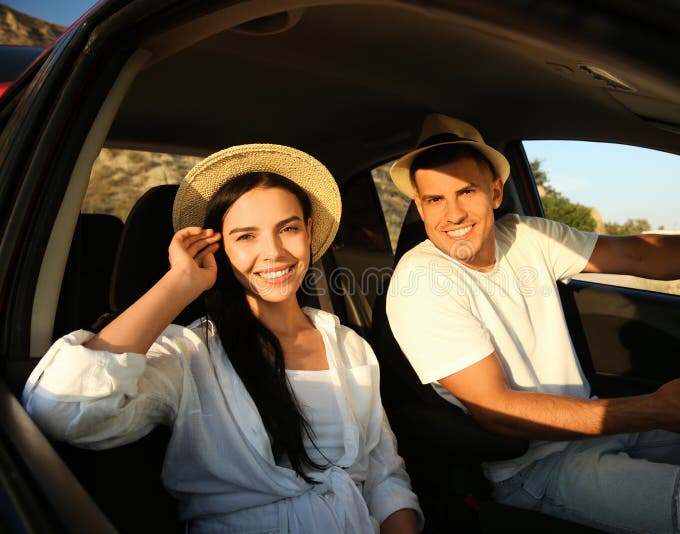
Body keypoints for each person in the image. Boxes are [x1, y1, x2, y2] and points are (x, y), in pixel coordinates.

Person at [385, 114, 680, 533]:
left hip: (594, 424)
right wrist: (653, 409)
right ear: (419, 207)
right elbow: (499, 412)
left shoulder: (525, 236)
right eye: (435, 200)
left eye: (466, 191)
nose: (453, 214)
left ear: (495, 192)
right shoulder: (420, 283)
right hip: (533, 467)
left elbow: (639, 253)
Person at [24, 144, 422, 533]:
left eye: (288, 228)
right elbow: (59, 409)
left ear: (309, 230)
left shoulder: (350, 346)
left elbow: (385, 475)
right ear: (219, 246)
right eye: (246, 236)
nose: (274, 252)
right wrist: (179, 284)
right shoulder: (190, 354)